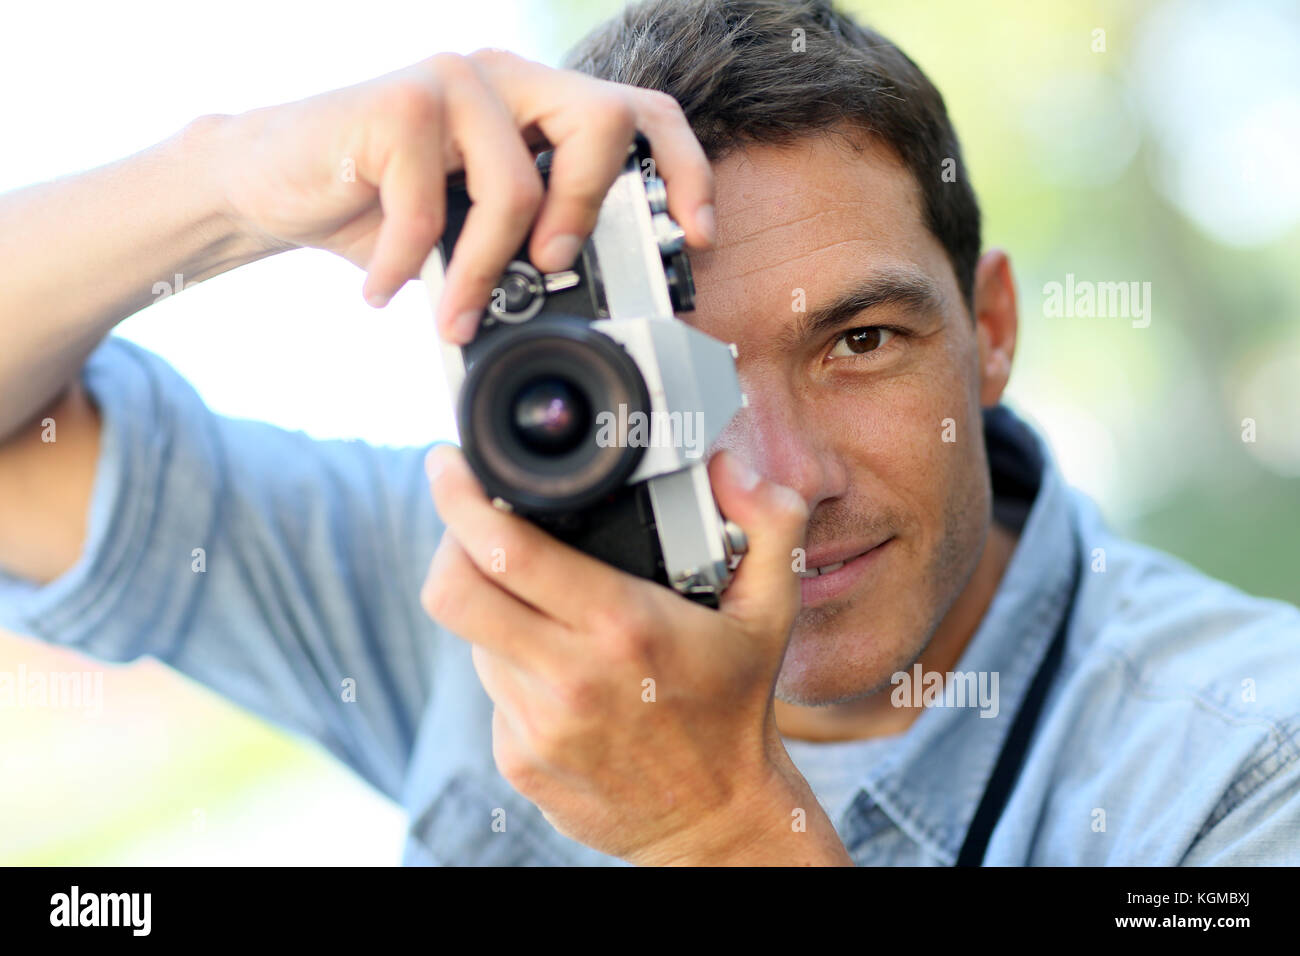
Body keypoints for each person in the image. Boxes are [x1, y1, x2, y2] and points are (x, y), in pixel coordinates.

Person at [2, 0, 1297, 866]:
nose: (784, 484)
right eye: (681, 382)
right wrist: (227, 182)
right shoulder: (488, 592)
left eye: (860, 344)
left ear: (992, 329)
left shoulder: (1245, 753)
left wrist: (719, 824)